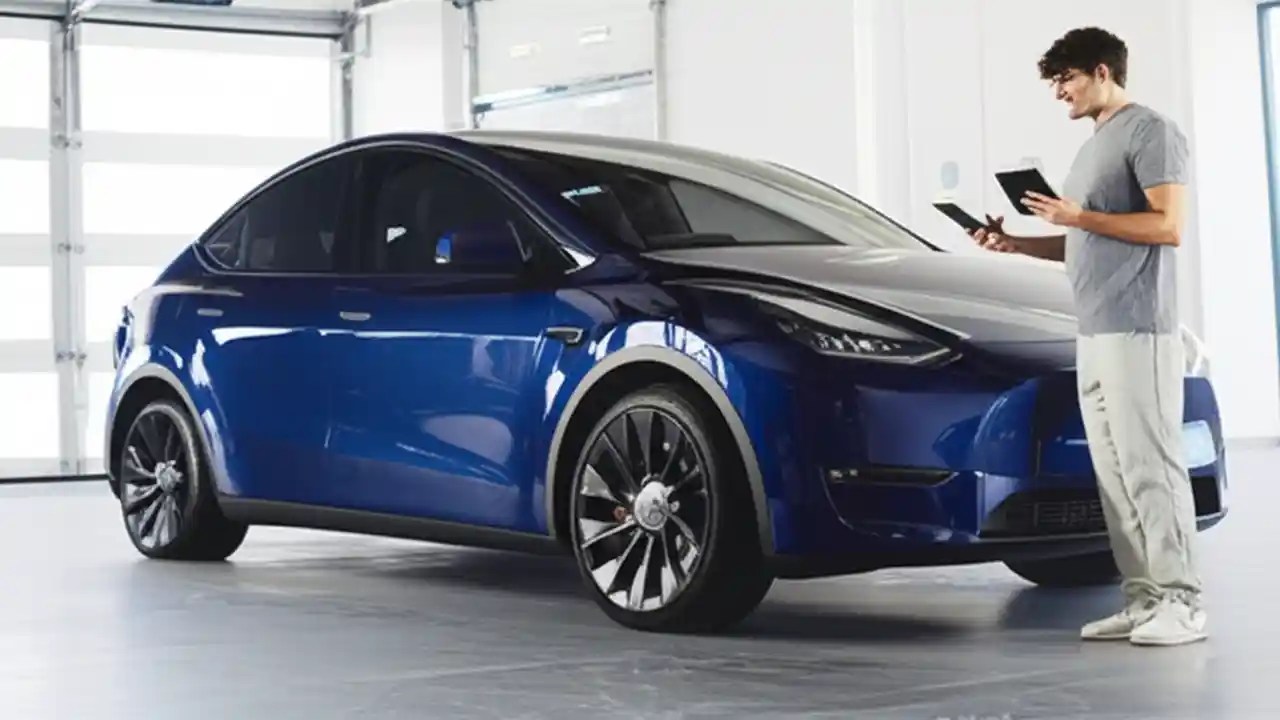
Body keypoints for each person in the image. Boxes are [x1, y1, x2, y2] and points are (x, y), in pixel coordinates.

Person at [972, 26, 1206, 646]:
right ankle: (1143, 598)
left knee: (1151, 467)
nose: (1059, 93)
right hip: (1095, 330)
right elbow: (1088, 238)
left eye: (1065, 79)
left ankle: (1183, 602)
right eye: (1054, 82)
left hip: (1139, 328)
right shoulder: (1092, 146)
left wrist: (1079, 215)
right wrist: (1016, 243)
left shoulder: (1151, 131)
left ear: (1103, 72)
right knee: (1114, 473)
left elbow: (1168, 225)